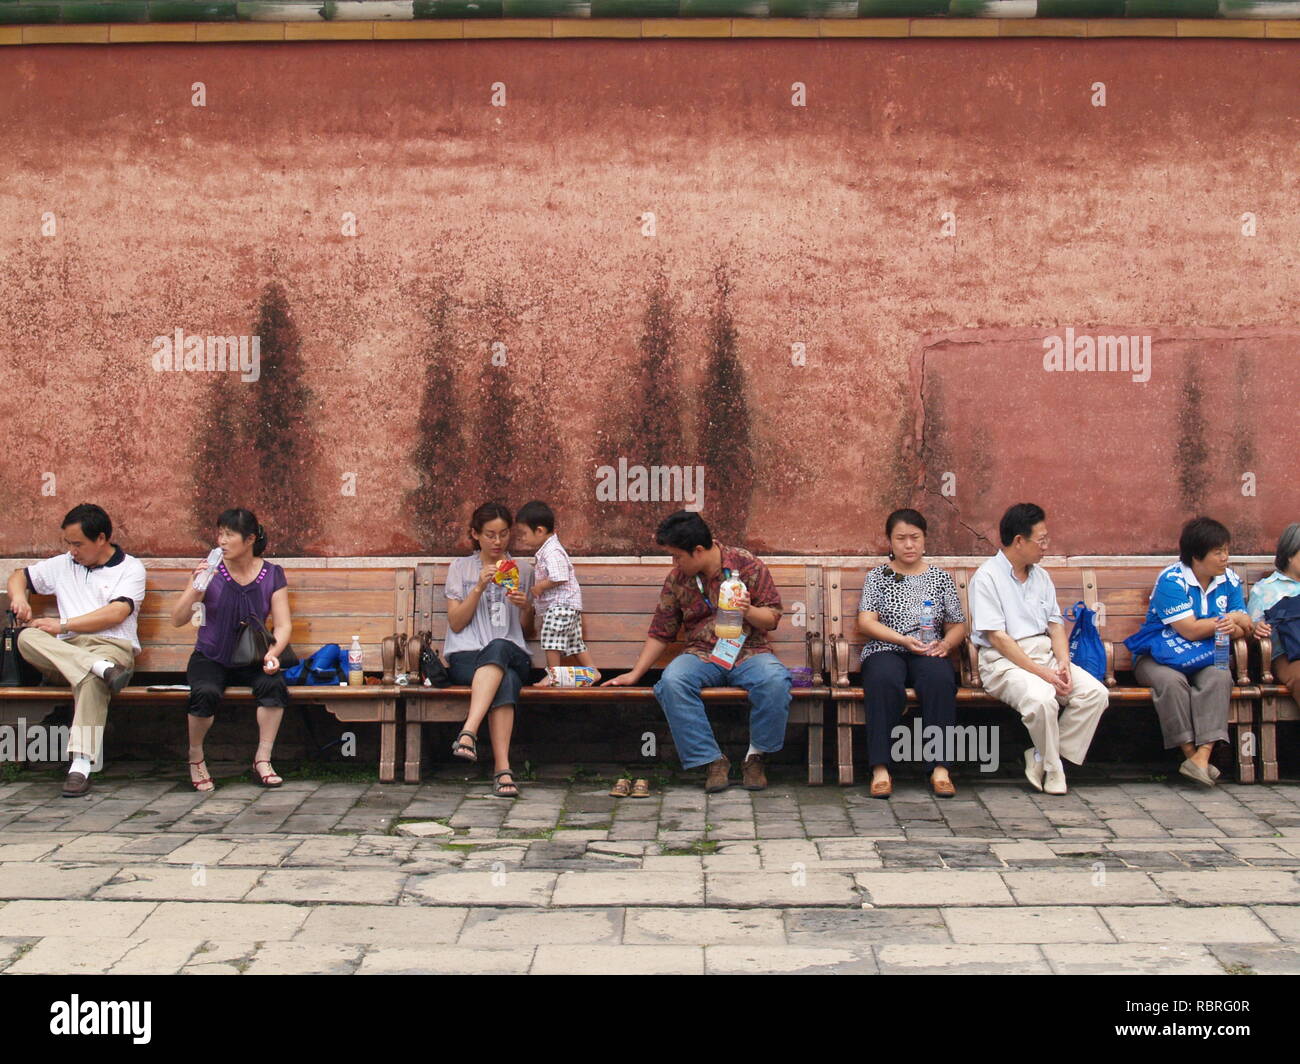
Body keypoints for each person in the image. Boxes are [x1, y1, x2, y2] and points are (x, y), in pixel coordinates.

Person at [602, 510, 790, 793]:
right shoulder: (678, 578)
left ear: (698, 550)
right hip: (702, 654)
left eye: (677, 556)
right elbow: (661, 630)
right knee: (672, 682)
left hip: (750, 651)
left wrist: (747, 610)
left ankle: (755, 757)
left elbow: (772, 618)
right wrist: (635, 673)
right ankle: (712, 761)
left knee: (775, 682)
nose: (674, 563)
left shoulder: (747, 565)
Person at [7, 504, 147, 797]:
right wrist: (20, 598)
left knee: (91, 681)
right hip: (67, 655)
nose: (72, 550)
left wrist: (62, 625)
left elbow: (117, 613)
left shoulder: (130, 568)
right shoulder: (62, 565)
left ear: (100, 539)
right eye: (68, 543)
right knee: (26, 638)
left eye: (78, 544)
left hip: (112, 649)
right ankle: (98, 668)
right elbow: (19, 575)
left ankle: (80, 765)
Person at [968, 502, 1108, 796]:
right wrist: (1042, 673)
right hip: (1003, 662)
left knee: (1095, 694)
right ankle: (1055, 769)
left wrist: (1063, 663)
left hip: (1044, 654)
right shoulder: (987, 577)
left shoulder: (1041, 576)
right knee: (1042, 698)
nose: (1046, 546)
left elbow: (1055, 625)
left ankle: (1042, 756)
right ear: (1019, 541)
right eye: (1041, 540)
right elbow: (997, 638)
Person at [169, 509, 292, 791]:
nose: (222, 541)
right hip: (211, 655)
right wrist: (195, 588)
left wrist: (272, 655)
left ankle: (262, 759)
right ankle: (196, 757)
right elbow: (177, 620)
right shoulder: (209, 569)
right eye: (220, 533)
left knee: (274, 685)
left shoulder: (272, 574)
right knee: (205, 692)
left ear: (249, 539)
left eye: (229, 534)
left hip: (253, 655)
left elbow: (283, 625)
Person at [1126, 517, 1252, 787]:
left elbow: (1245, 625)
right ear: (1196, 556)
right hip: (1159, 656)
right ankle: (1190, 753)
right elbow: (1190, 630)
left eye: (1226, 550)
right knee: (1172, 682)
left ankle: (1201, 758)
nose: (1225, 558)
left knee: (1220, 677)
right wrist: (1230, 620)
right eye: (1218, 552)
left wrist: (1234, 623)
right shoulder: (1171, 580)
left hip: (1210, 653)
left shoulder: (1228, 579)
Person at [857, 509, 968, 799]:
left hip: (929, 648)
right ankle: (881, 768)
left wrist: (946, 645)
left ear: (925, 539)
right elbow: (866, 622)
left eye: (915, 538)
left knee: (941, 680)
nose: (909, 545)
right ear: (890, 542)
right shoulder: (878, 577)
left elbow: (958, 625)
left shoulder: (940, 578)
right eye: (901, 538)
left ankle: (940, 767)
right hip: (887, 647)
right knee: (882, 679)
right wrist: (902, 640)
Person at [442, 501, 535, 798]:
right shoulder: (460, 568)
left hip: (512, 651)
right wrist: (478, 588)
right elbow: (456, 624)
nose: (498, 542)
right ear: (475, 534)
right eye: (490, 535)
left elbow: (528, 631)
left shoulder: (521, 569)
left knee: (500, 646)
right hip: (467, 656)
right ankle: (503, 769)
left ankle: (469, 730)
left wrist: (526, 608)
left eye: (504, 534)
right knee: (504, 679)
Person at [513, 500, 601, 686]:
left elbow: (559, 576)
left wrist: (540, 587)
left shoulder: (552, 551)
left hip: (561, 605)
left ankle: (554, 675)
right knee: (575, 643)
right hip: (567, 606)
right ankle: (592, 672)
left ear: (540, 530)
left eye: (524, 533)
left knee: (550, 638)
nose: (522, 538)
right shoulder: (548, 550)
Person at [1248, 523, 1300, 699]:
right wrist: (1256, 628)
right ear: (1290, 555)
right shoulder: (1265, 589)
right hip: (1289, 656)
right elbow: (1250, 629)